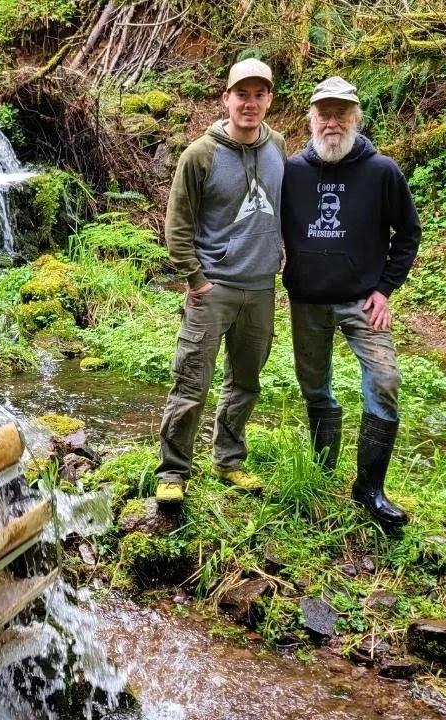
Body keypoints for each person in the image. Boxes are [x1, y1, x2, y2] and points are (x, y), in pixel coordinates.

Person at [280, 76, 422, 528]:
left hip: (363, 303)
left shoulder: (382, 171)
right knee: (315, 388)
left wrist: (384, 289)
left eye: (341, 113)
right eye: (324, 113)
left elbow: (409, 233)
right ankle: (322, 474)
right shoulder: (291, 171)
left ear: (356, 117)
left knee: (385, 379)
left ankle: (370, 489)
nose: (332, 122)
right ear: (311, 118)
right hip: (307, 302)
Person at [154, 58, 287, 506]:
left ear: (269, 99)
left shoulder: (278, 147)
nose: (250, 103)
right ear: (226, 98)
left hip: (261, 289)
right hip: (213, 289)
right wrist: (195, 279)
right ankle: (173, 471)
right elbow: (177, 224)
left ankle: (229, 460)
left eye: (259, 95)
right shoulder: (200, 154)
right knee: (191, 381)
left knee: (245, 383)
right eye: (241, 94)